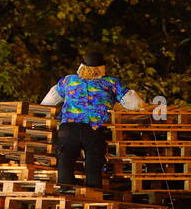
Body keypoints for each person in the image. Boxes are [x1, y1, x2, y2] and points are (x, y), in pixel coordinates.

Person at [41, 49, 144, 192]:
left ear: (81, 66)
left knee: (65, 160)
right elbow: (136, 104)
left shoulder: (67, 81)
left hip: (69, 129)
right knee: (93, 164)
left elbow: (47, 104)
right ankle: (93, 194)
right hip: (94, 130)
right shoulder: (111, 83)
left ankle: (66, 191)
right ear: (102, 68)